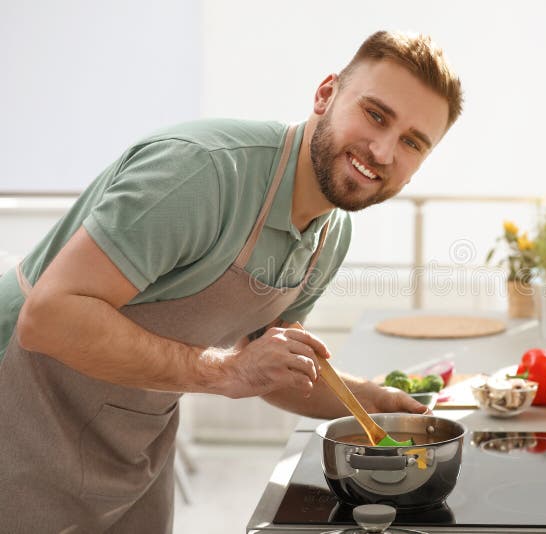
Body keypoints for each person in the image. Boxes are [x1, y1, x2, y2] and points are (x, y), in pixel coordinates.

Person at [0, 30, 463, 532]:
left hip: (132, 439)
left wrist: (377, 405)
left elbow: (269, 368)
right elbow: (46, 319)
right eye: (375, 114)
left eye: (413, 142)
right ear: (326, 94)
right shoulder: (203, 173)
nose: (382, 149)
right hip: (19, 407)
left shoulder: (332, 234)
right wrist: (226, 372)